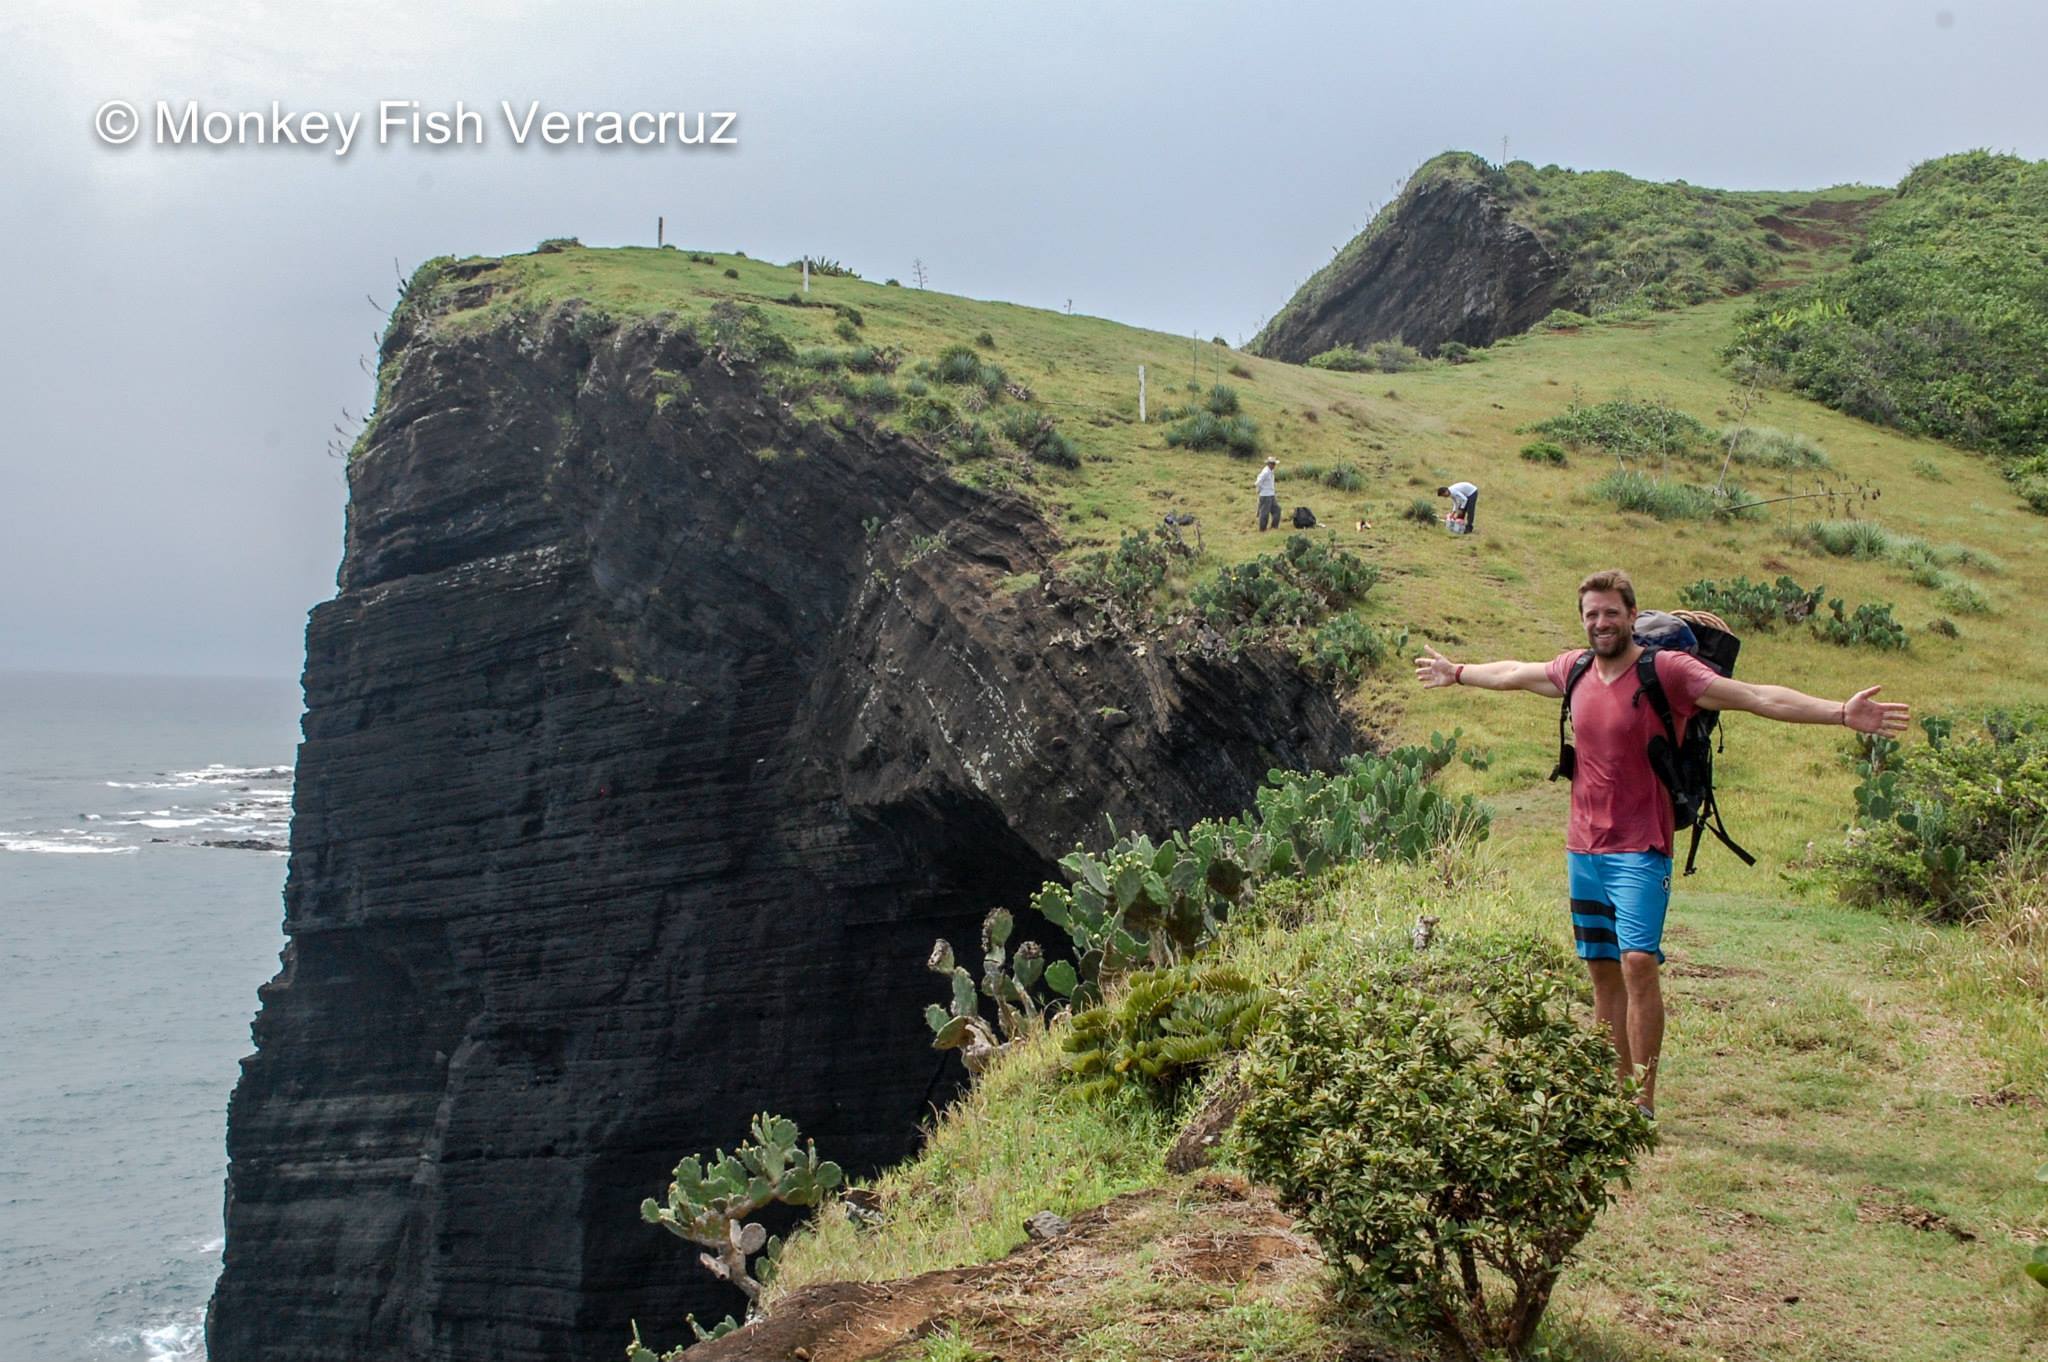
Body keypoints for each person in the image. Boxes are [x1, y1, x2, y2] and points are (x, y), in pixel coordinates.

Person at [1412, 568, 1909, 1117]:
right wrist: (1457, 672)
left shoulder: (1667, 672)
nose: (1601, 622)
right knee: (1602, 971)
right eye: (1592, 614)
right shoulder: (1575, 669)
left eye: (1611, 612)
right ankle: (1613, 1095)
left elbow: (1754, 696)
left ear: (1631, 615)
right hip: (1583, 849)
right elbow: (1513, 672)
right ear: (1583, 621)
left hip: (1640, 848)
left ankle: (1642, 1101)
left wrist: (1840, 713)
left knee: (1638, 962)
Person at [1255, 457, 1281, 532]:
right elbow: (1258, 482)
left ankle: (1274, 527)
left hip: (1271, 494)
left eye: (1274, 464)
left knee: (1277, 510)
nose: (1274, 465)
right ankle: (1262, 529)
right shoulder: (1265, 472)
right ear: (1268, 464)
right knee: (1264, 513)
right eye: (1272, 464)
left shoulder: (1271, 471)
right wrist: (1260, 490)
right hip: (1265, 495)